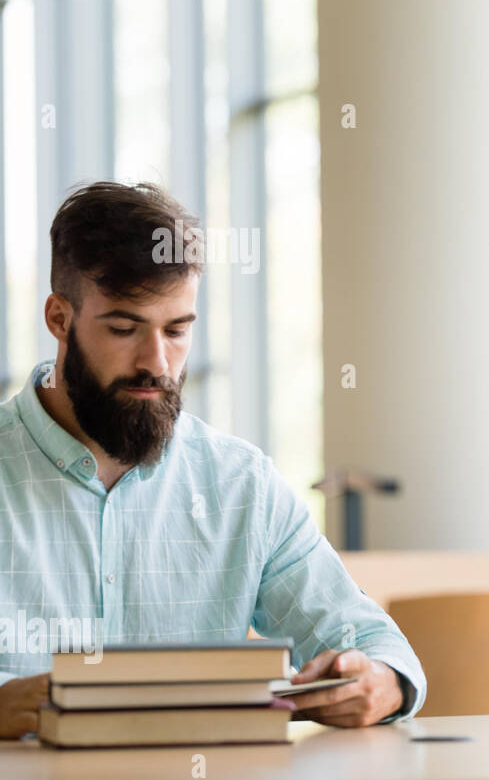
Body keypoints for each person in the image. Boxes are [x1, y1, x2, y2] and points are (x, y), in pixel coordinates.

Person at [0, 182, 426, 737]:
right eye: (125, 329)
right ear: (59, 319)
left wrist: (378, 682)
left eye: (177, 331)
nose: (158, 363)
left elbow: (374, 646)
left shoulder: (238, 483)